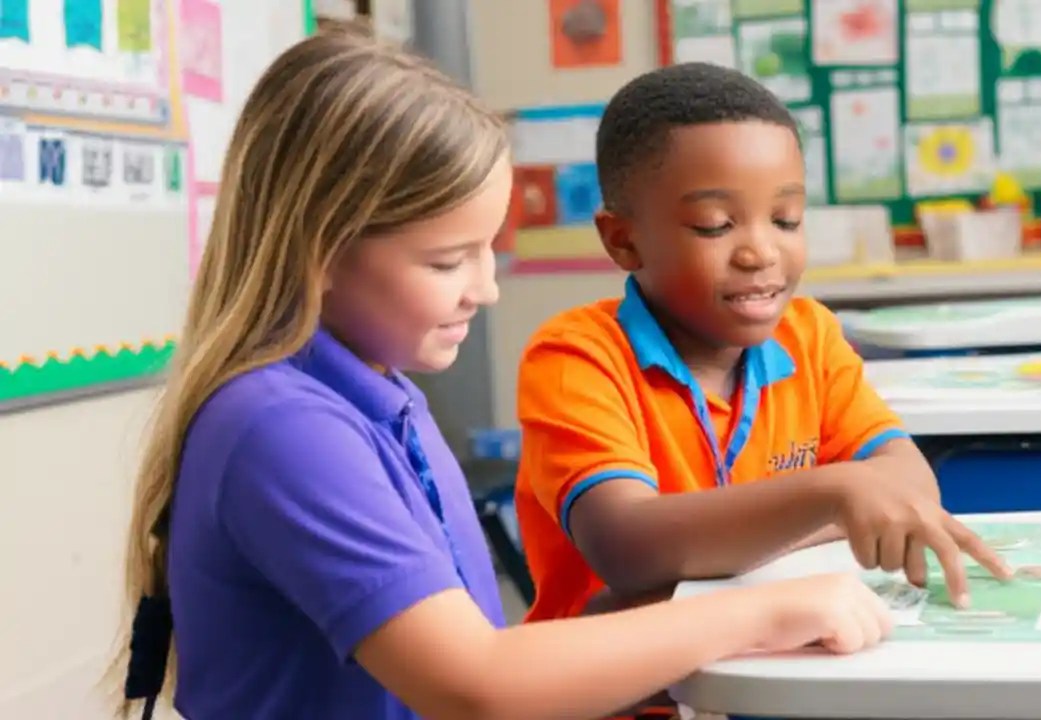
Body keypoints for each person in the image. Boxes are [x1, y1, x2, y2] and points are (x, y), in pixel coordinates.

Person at [107, 29, 894, 720]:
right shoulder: (282, 430)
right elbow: (476, 686)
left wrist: (669, 616)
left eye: (488, 252)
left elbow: (486, 654)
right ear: (323, 246)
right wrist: (759, 614)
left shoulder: (385, 402)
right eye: (449, 260)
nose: (484, 290)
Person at [514, 62, 1013, 627]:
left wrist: (833, 502)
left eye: (786, 219)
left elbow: (911, 483)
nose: (760, 252)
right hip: (628, 696)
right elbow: (627, 548)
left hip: (780, 660)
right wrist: (837, 495)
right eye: (714, 225)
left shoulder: (810, 336)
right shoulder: (577, 357)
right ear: (624, 241)